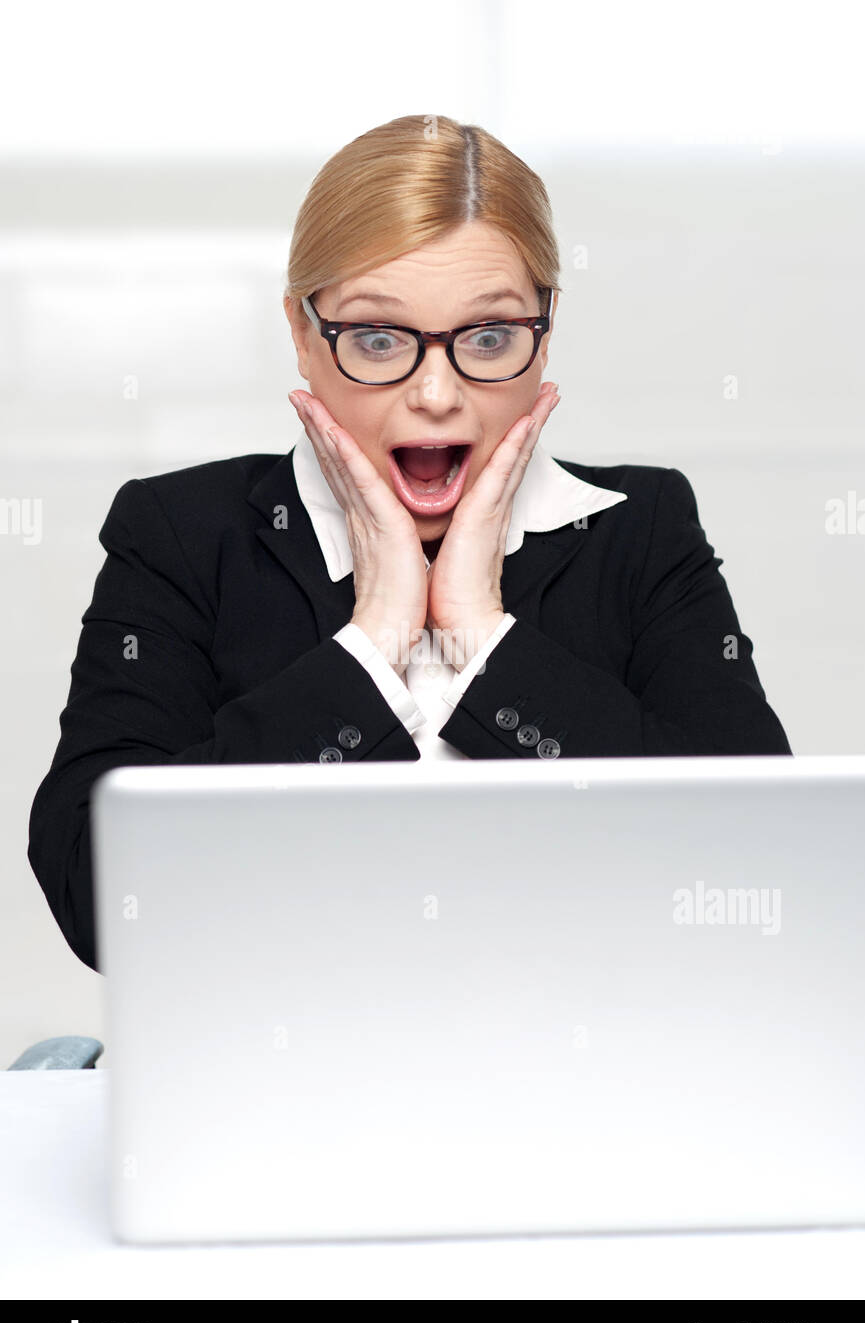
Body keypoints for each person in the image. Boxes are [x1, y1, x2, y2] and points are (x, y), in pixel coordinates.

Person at [28, 114, 792, 974]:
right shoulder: (181, 532)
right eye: (380, 338)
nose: (435, 393)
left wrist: (480, 634)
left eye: (490, 336)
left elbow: (754, 863)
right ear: (301, 332)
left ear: (545, 332)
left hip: (588, 1074)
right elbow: (97, 894)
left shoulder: (639, 526)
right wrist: (375, 641)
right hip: (275, 1077)